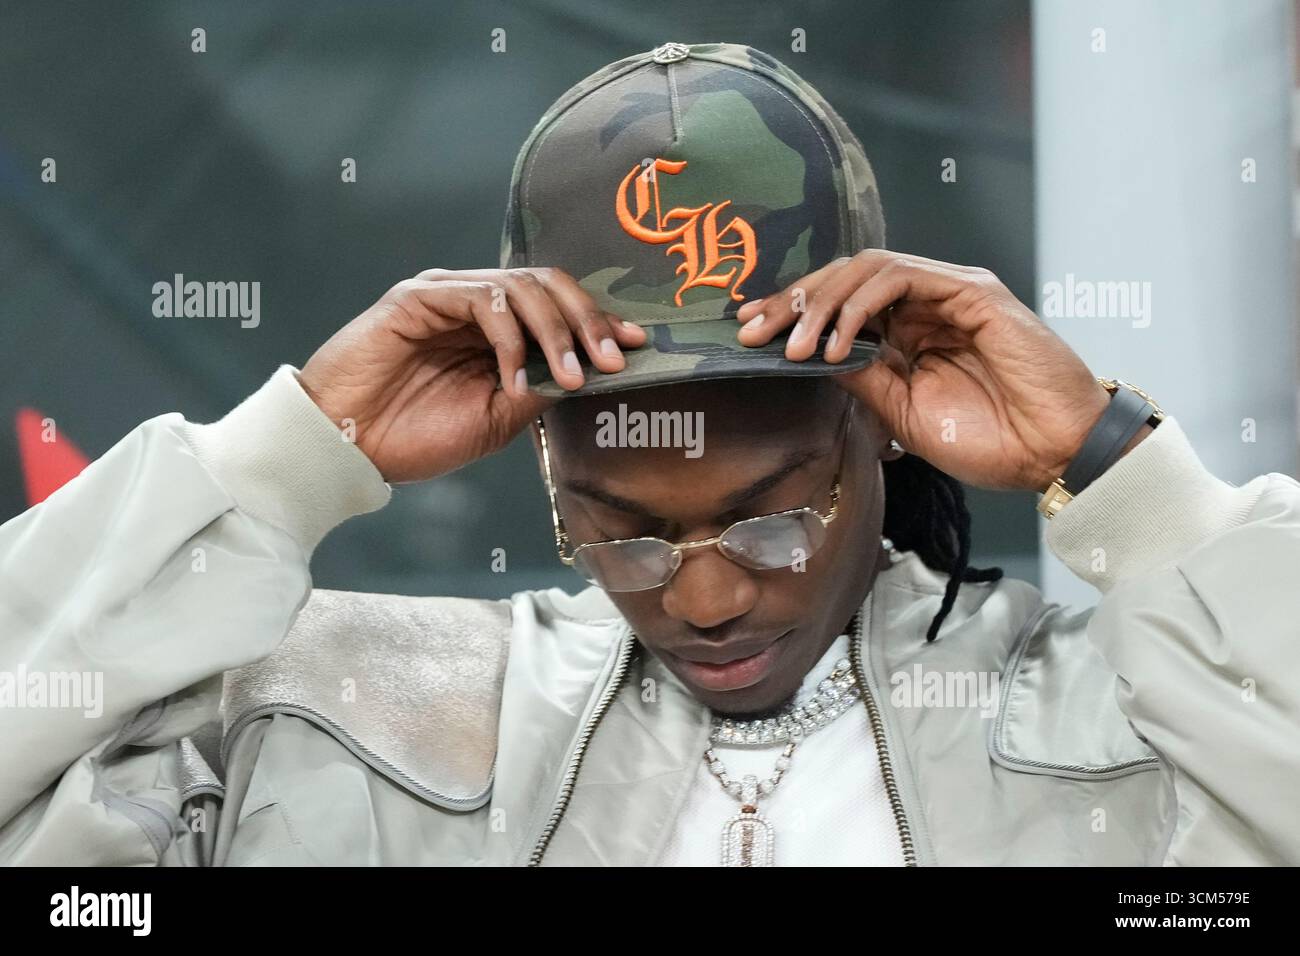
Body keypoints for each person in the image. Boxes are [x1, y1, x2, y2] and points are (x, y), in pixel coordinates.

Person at [1, 42, 1297, 867]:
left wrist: (1132, 478)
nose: (708, 597)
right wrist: (282, 461)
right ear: (549, 471)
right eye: (621, 530)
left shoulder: (1136, 727)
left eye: (773, 519)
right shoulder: (354, 722)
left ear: (880, 428)